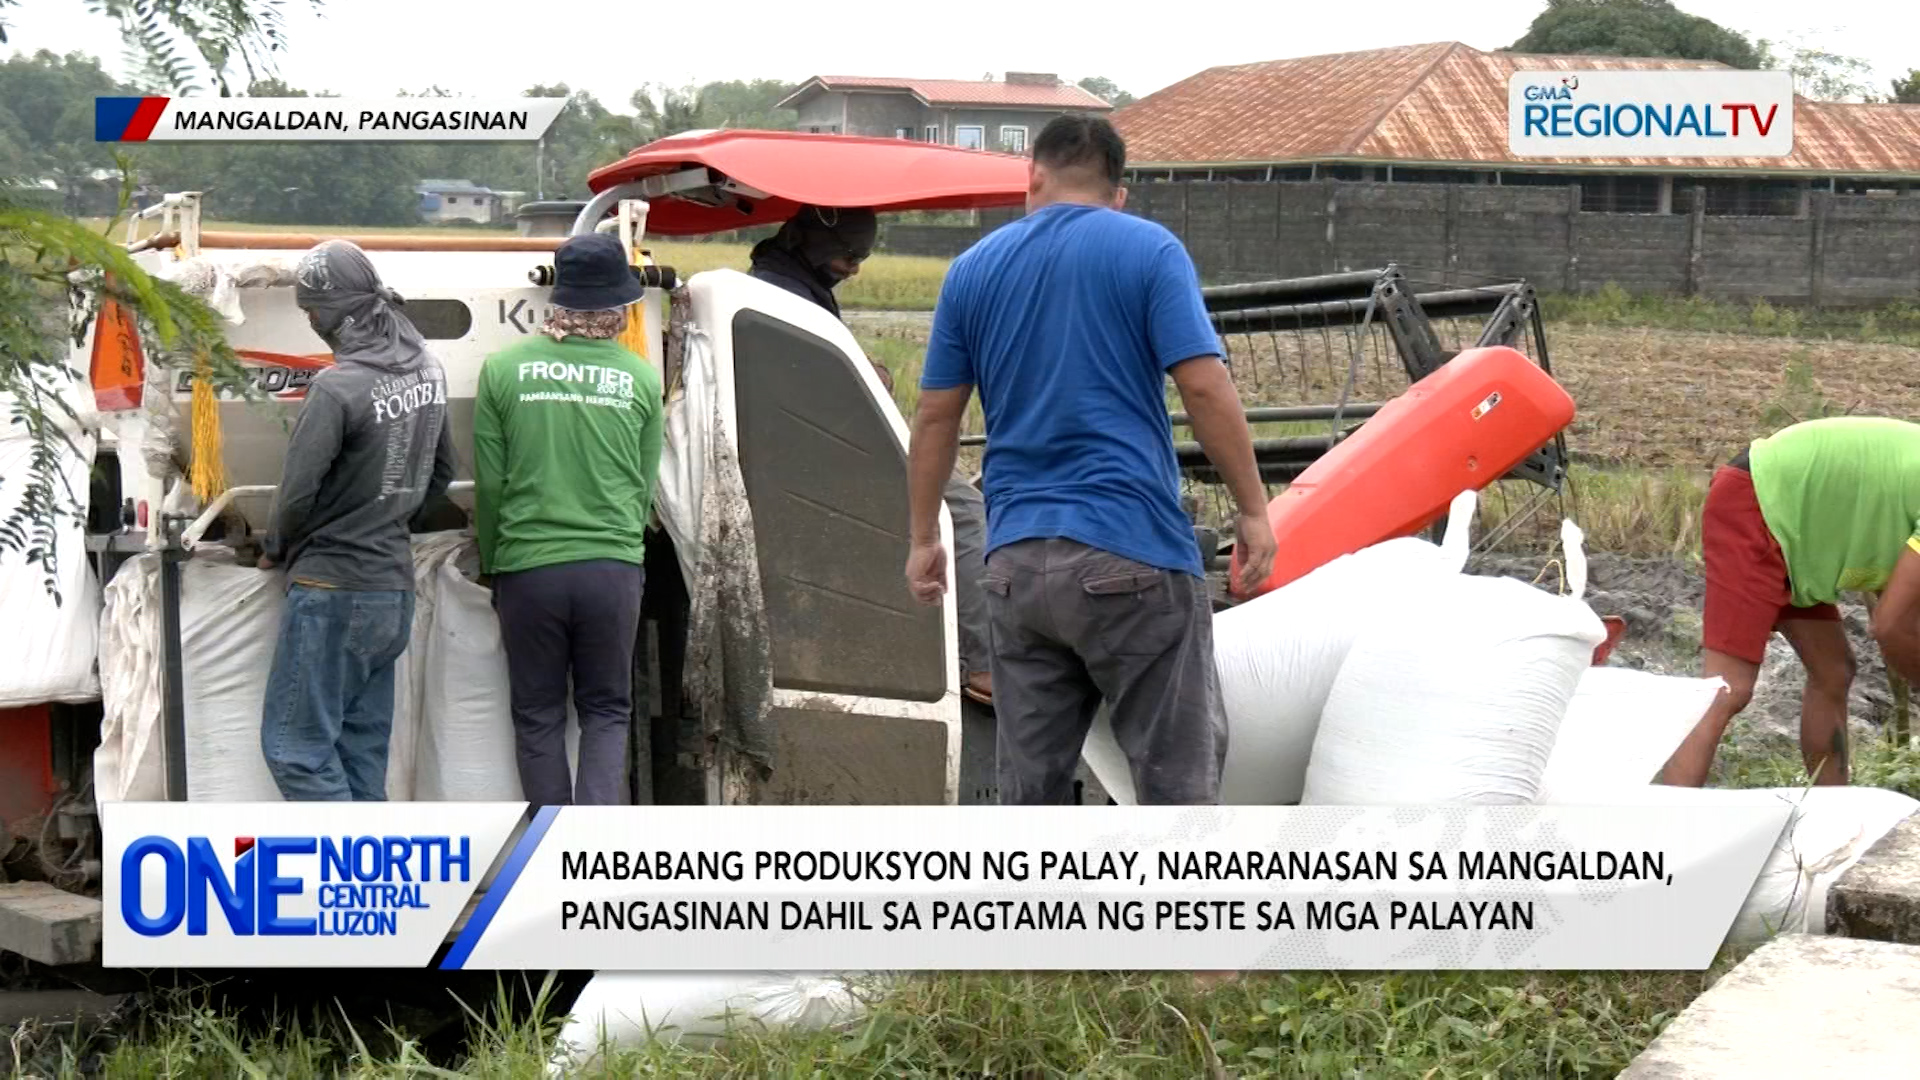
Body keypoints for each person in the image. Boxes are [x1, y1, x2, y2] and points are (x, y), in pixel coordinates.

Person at [903, 114, 1276, 806]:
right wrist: (1254, 510)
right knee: (1176, 789)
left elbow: (935, 417)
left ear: (1032, 176)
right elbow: (1203, 384)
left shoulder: (972, 271)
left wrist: (925, 537)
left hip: (1015, 571)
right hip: (1130, 553)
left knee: (1030, 795)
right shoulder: (1149, 250)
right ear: (1118, 195)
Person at [750, 204, 998, 707]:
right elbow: (816, 387)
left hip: (809, 451)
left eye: (861, 256)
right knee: (967, 511)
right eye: (848, 254)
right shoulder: (784, 297)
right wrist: (870, 376)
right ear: (809, 241)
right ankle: (985, 666)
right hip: (827, 458)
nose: (854, 267)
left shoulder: (782, 286)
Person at [258, 239, 457, 801]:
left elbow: (295, 495)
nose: (310, 322)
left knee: (294, 750)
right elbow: (442, 472)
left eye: (310, 311)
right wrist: (390, 517)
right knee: (362, 754)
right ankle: (370, 886)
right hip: (392, 591)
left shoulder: (337, 387)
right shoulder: (427, 369)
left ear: (333, 312)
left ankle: (339, 877)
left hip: (332, 591)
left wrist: (275, 545)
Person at [473, 232, 666, 806]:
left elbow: (491, 484)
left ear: (558, 296)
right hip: (612, 570)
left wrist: (493, 563)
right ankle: (596, 857)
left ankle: (548, 857)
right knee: (606, 712)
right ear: (621, 305)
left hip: (528, 570)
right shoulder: (641, 378)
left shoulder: (503, 370)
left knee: (537, 715)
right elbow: (642, 486)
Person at [1664, 416, 1920, 788]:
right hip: (1759, 501)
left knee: (1833, 670)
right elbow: (1890, 624)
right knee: (1725, 688)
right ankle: (1662, 829)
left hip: (1800, 526)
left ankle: (1831, 815)